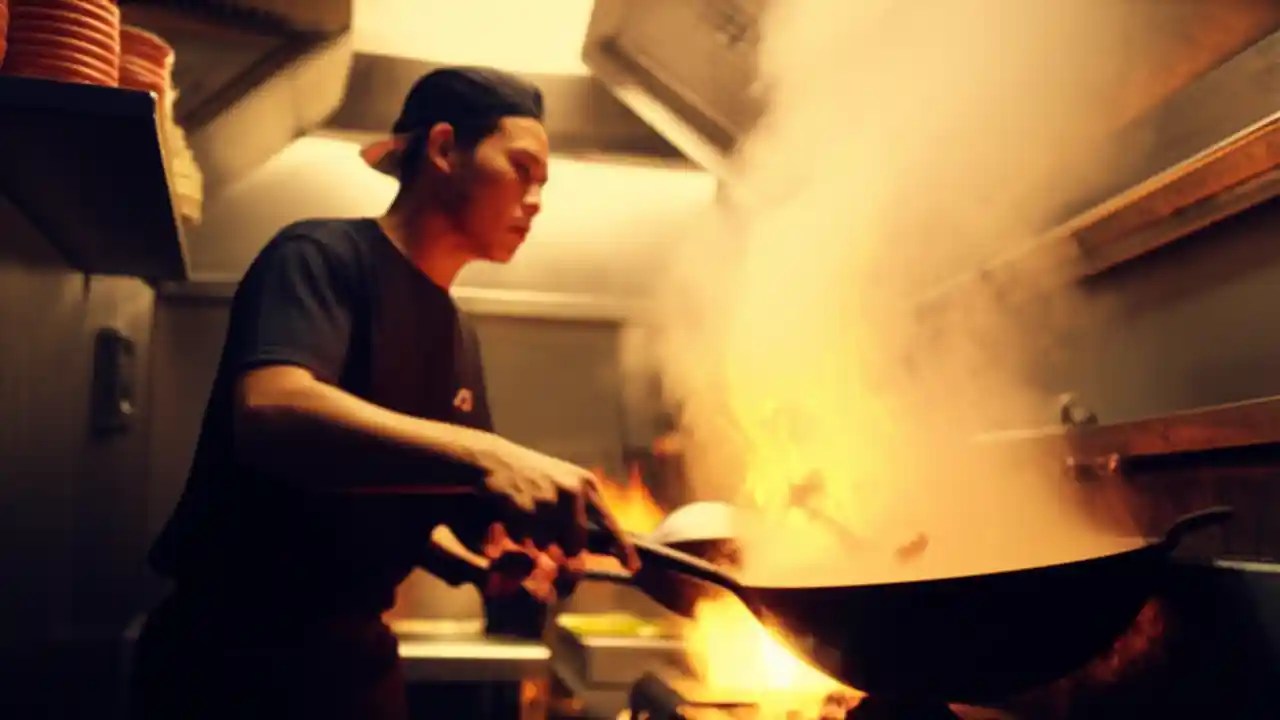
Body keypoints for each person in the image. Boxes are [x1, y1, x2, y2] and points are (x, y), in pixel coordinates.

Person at [130, 66, 638, 720]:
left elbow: (437, 496)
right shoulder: (321, 255)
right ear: (445, 148)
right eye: (521, 168)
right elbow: (273, 408)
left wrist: (495, 556)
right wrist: (488, 455)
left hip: (357, 663)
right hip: (233, 657)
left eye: (543, 182)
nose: (536, 198)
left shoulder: (456, 332)